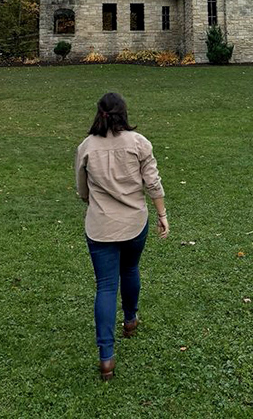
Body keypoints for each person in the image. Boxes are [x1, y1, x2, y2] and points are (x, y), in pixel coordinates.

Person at [75, 91, 168, 381]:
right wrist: (162, 215)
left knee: (105, 287)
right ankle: (130, 320)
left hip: (101, 225)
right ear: (124, 113)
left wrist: (97, 201)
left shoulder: (86, 146)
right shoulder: (139, 143)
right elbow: (152, 183)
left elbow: (82, 190)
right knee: (130, 269)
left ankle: (106, 357)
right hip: (133, 224)